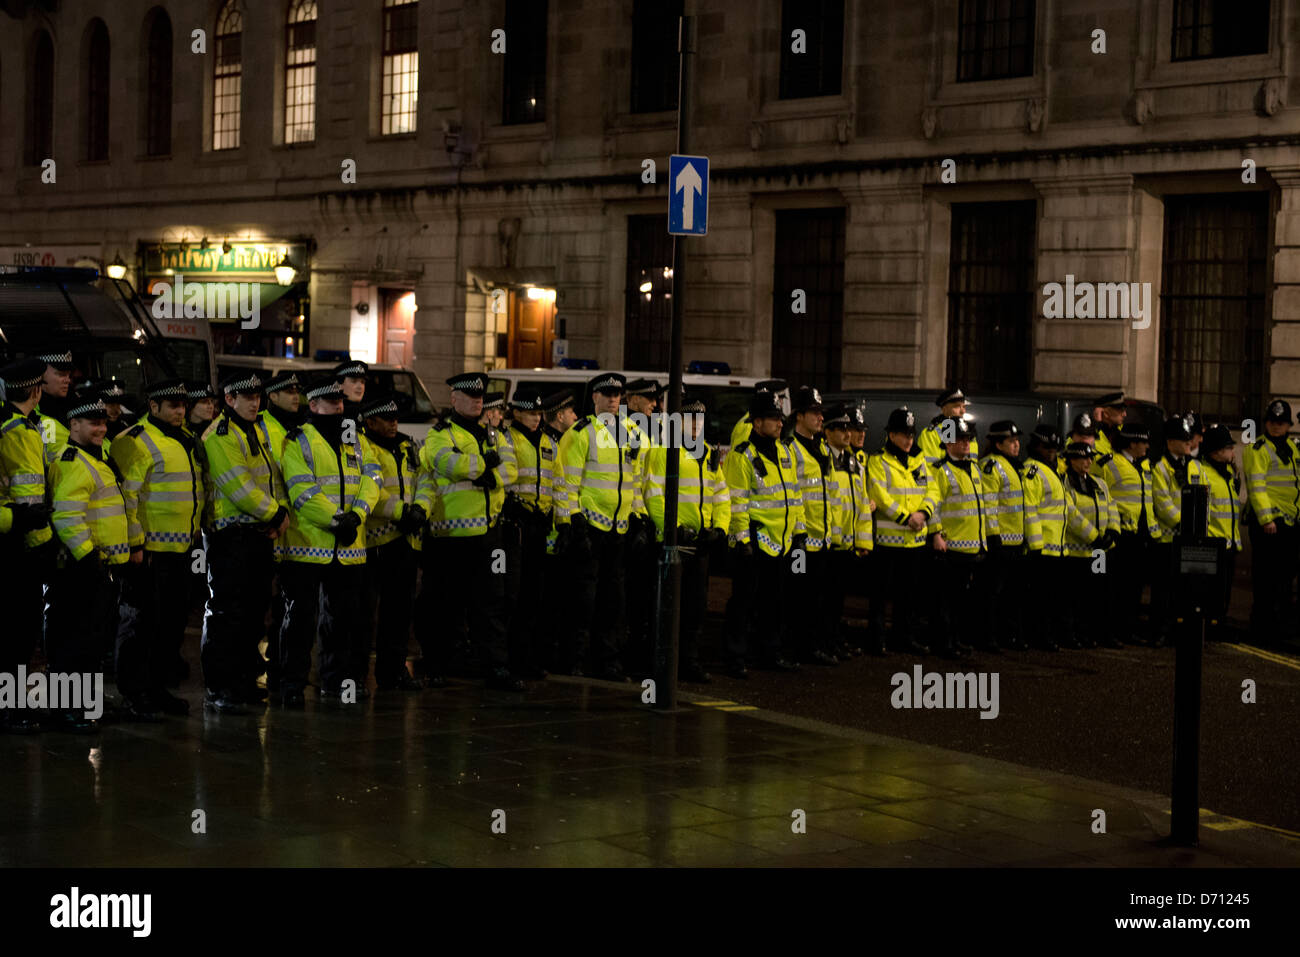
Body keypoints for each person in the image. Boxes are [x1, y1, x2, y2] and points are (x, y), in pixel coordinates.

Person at [417, 372, 523, 691]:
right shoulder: (440, 434)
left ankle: (495, 667)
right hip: (448, 536)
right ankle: (435, 666)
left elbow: (511, 468)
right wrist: (483, 467)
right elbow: (445, 463)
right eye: (470, 397)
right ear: (453, 400)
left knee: (490, 603)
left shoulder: (494, 434)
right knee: (443, 604)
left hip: (488, 536)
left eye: (480, 397)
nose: (477, 401)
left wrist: (491, 476)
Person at [278, 377, 380, 704]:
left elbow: (372, 478)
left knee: (342, 622)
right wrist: (338, 520)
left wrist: (358, 515)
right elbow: (301, 490)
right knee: (300, 622)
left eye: (340, 402)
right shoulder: (297, 441)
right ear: (313, 406)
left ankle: (337, 683)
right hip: (308, 545)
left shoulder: (355, 438)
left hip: (349, 548)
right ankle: (291, 687)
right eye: (330, 402)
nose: (338, 406)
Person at [110, 379, 204, 718]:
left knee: (171, 623)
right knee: (140, 625)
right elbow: (126, 497)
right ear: (153, 407)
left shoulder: (186, 440)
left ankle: (157, 688)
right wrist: (135, 543)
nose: (180, 411)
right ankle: (135, 694)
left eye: (183, 404)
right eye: (172, 405)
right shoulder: (135, 441)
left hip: (181, 550)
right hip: (148, 551)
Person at [201, 372, 289, 713]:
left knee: (252, 614)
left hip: (256, 535)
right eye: (246, 396)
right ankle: (219, 688)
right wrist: (276, 514)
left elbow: (268, 480)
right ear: (228, 399)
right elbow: (238, 488)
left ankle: (240, 682)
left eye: (257, 396)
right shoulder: (221, 435)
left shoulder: (253, 431)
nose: (254, 402)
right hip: (231, 536)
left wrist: (276, 517)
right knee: (228, 614)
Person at [554, 372, 648, 681]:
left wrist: (637, 516)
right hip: (589, 527)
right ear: (593, 397)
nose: (612, 399)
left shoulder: (634, 431)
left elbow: (635, 481)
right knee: (582, 600)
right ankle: (574, 660)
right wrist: (571, 521)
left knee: (613, 601)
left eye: (617, 394)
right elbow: (566, 482)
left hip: (618, 530)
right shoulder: (581, 433)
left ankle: (609, 662)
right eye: (606, 393)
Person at [46, 394, 130, 732]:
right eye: (92, 423)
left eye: (103, 422)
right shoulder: (72, 460)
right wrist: (89, 557)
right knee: (74, 642)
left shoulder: (96, 457)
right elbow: (66, 516)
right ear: (74, 425)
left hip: (97, 566)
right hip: (81, 568)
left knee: (91, 641)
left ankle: (85, 705)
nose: (100, 428)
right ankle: (67, 710)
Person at [644, 394, 730, 683]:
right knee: (669, 605)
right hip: (676, 541)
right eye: (691, 418)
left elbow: (721, 495)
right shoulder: (665, 451)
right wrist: (673, 527)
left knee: (695, 606)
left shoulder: (708, 453)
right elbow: (653, 494)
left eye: (700, 419)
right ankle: (664, 661)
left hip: (701, 543)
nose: (696, 424)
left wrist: (720, 527)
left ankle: (689, 661)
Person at [723, 390, 804, 676]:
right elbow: (737, 501)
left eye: (780, 418)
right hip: (755, 540)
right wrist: (742, 540)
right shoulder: (742, 456)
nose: (780, 423)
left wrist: (800, 533)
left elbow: (795, 495)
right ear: (757, 423)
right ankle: (735, 657)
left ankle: (768, 653)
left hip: (781, 542)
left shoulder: (784, 452)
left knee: (774, 601)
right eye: (773, 418)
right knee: (744, 602)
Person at [0, 358, 54, 733]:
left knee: (18, 635)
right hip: (13, 546)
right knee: (15, 635)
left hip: (21, 542)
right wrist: (28, 529)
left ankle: (15, 706)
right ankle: (10, 710)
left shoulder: (21, 427)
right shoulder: (13, 430)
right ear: (36, 390)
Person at [360, 394, 426, 691]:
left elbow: (426, 480)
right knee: (365, 614)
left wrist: (421, 509)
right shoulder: (363, 447)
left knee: (399, 612)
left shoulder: (407, 445)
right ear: (370, 421)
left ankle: (394, 671)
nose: (393, 423)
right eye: (386, 419)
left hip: (406, 541)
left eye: (395, 418)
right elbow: (367, 490)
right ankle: (358, 674)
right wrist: (401, 512)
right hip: (374, 542)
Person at [865, 407, 937, 656]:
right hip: (887, 542)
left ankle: (903, 638)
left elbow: (933, 491)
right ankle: (876, 640)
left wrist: (924, 514)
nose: (909, 440)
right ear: (891, 435)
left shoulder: (920, 461)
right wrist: (907, 517)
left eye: (911, 435)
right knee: (880, 596)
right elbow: (879, 495)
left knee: (908, 596)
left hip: (914, 542)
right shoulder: (878, 461)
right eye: (903, 434)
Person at [501, 390, 555, 680]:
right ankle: (510, 659)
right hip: (515, 528)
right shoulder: (507, 438)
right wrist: (517, 509)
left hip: (539, 529)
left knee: (534, 596)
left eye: (539, 413)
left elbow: (554, 482)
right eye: (531, 413)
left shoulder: (548, 441)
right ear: (518, 413)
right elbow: (506, 480)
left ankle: (527, 658)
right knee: (513, 596)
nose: (537, 418)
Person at [785, 385, 840, 665]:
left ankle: (812, 646)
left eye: (821, 413)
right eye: (816, 413)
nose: (821, 419)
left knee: (817, 597)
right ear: (800, 416)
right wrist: (798, 534)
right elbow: (791, 496)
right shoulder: (791, 450)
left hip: (822, 539)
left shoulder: (821, 449)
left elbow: (828, 494)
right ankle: (796, 648)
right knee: (798, 596)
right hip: (801, 539)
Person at [927, 416, 987, 658]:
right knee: (946, 600)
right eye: (960, 439)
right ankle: (944, 643)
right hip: (951, 546)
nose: (966, 444)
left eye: (968, 439)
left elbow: (980, 507)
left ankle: (957, 639)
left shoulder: (974, 469)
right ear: (947, 443)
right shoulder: (940, 471)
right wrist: (937, 535)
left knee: (962, 600)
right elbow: (934, 506)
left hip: (973, 546)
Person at [1242, 400, 1300, 646]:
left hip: (1289, 522)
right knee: (1266, 579)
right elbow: (1257, 486)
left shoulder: (1292, 448)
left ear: (1288, 425)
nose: (1277, 426)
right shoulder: (1257, 448)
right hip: (1269, 523)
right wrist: (1267, 518)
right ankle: (1262, 629)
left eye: (1282, 422)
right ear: (1266, 423)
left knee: (1285, 579)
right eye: (1273, 422)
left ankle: (1281, 628)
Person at [1098, 421, 1159, 647]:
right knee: (1116, 588)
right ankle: (1111, 632)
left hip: (1140, 536)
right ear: (1132, 443)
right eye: (1143, 442)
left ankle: (1128, 630)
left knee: (1134, 588)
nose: (1147, 446)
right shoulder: (1109, 464)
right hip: (1120, 535)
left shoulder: (1143, 465)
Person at [1151, 414, 1209, 647]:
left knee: (1184, 590)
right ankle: (1159, 632)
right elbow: (1162, 502)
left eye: (1189, 438)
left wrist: (1196, 526)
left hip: (1190, 538)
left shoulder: (1195, 465)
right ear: (1169, 441)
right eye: (1183, 438)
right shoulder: (1160, 467)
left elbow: (1205, 496)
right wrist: (1184, 524)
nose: (1189, 442)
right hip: (1168, 539)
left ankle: (1179, 631)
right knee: (1163, 590)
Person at [823, 403, 873, 659]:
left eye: (848, 429)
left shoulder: (853, 462)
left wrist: (863, 541)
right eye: (842, 429)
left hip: (847, 543)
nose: (848, 434)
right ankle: (826, 642)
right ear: (828, 431)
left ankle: (834, 640)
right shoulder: (824, 460)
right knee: (825, 598)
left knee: (838, 598)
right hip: (829, 543)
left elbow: (862, 503)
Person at [1061, 442, 1119, 649]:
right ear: (1071, 460)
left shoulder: (1099, 483)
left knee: (1097, 594)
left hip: (1099, 552)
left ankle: (1092, 632)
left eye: (1089, 458)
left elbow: (1111, 507)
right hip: (1078, 553)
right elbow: (1071, 513)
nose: (1088, 462)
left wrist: (1113, 530)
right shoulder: (1065, 483)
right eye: (1082, 458)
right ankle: (1072, 634)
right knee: (1074, 596)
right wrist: (1093, 536)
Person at [980, 420, 1031, 652]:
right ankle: (990, 637)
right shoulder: (992, 466)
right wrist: (993, 537)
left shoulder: (1014, 466)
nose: (1017, 445)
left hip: (1016, 541)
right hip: (1000, 542)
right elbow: (989, 505)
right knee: (993, 594)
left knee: (1013, 593)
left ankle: (1009, 635)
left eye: (1017, 440)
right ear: (998, 443)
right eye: (1011, 441)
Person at [1020, 425, 1062, 651]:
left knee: (1049, 596)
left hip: (1055, 546)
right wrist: (1035, 545)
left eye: (1054, 448)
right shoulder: (1033, 471)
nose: (1051, 452)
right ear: (1036, 446)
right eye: (1047, 447)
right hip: (1041, 547)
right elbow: (1030, 510)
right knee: (1039, 597)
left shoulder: (1051, 469)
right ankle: (1039, 636)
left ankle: (1045, 635)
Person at [1201, 425, 1241, 642]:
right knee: (1213, 591)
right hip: (1215, 542)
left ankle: (1219, 624)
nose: (1233, 451)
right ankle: (1212, 627)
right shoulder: (1204, 472)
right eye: (1229, 448)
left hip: (1229, 542)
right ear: (1216, 451)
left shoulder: (1226, 474)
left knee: (1224, 590)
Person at [919, 387, 979, 468]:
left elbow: (973, 464)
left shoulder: (968, 432)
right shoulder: (932, 434)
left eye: (964, 407)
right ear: (944, 409)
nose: (962, 411)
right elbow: (931, 468)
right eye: (957, 406)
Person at [34, 348, 75, 465]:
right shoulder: (30, 413)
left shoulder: (72, 406)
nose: (67, 380)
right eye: (61, 374)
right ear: (40, 374)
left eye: (69, 375)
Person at [730, 379, 787, 449]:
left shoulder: (753, 419)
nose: (781, 403)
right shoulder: (749, 426)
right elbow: (742, 455)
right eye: (778, 400)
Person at [1092, 392, 1127, 461]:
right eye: (1120, 410)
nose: (1124, 414)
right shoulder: (1089, 434)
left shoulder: (1122, 431)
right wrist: (1096, 423)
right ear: (1105, 413)